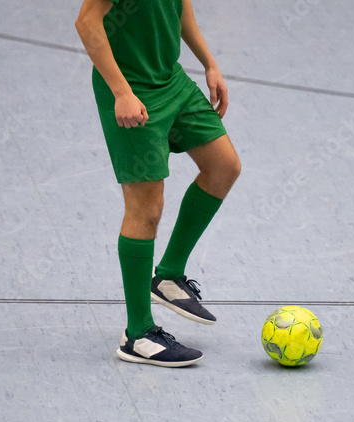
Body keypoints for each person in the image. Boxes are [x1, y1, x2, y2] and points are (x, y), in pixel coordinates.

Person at [76, 0, 241, 367]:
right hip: (132, 90)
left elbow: (178, 5)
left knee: (224, 166)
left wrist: (209, 63)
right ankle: (138, 335)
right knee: (146, 209)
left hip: (171, 79)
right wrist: (121, 92)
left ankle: (167, 277)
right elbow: (87, 22)